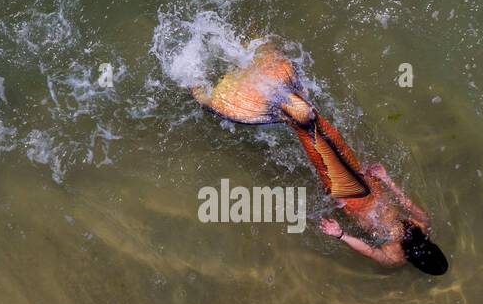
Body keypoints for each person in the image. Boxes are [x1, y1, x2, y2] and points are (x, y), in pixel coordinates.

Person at [191, 43, 448, 274]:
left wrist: (344, 230)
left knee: (320, 135)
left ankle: (275, 89)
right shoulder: (401, 251)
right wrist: (345, 230)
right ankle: (273, 95)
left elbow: (395, 215)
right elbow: (375, 243)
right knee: (318, 135)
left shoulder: (420, 229)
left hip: (359, 192)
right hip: (360, 192)